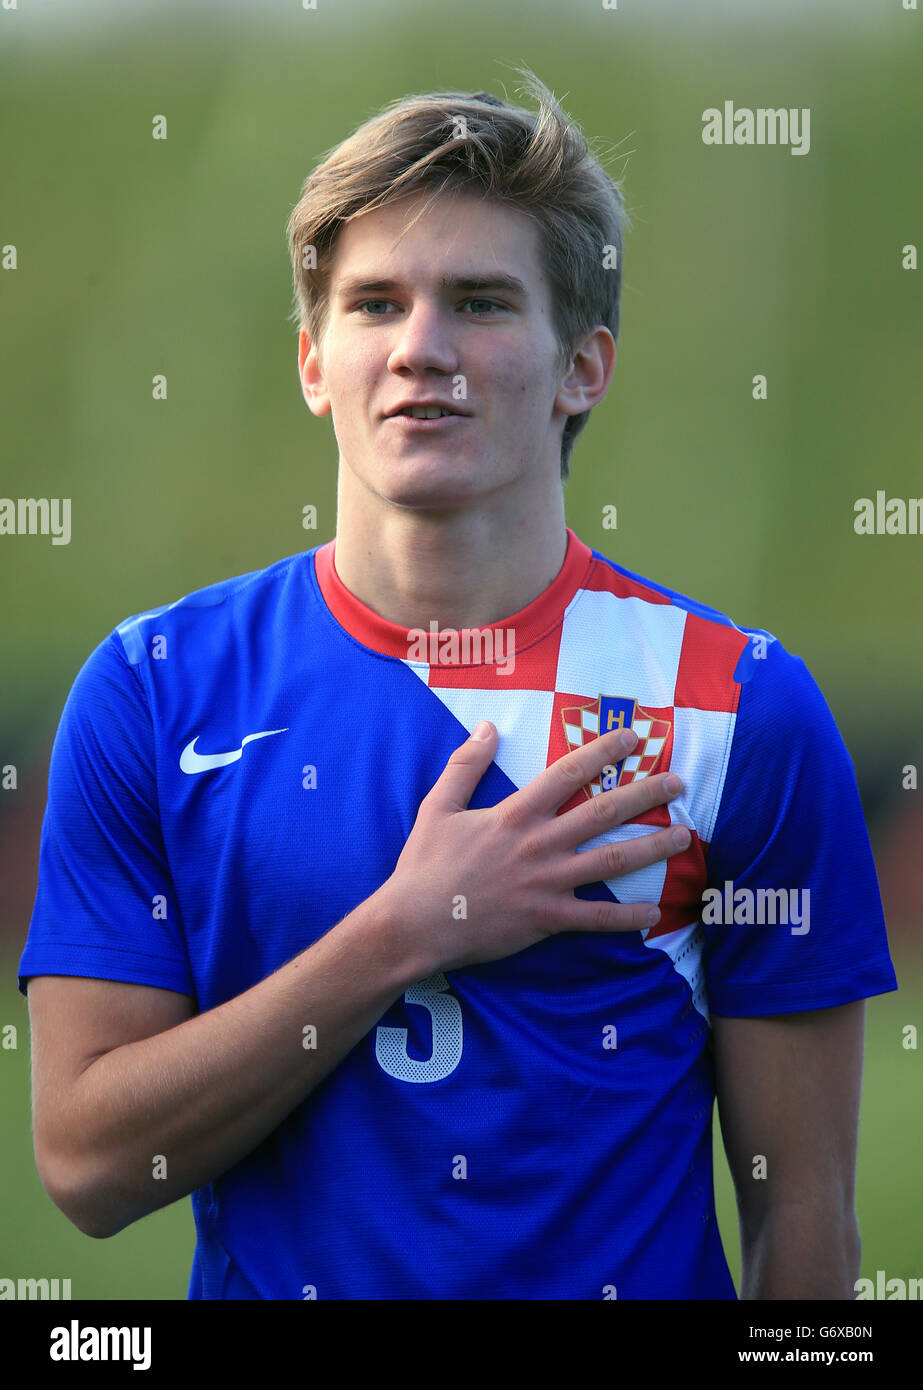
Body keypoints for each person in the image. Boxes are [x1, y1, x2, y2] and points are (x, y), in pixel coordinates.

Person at [19, 72, 896, 1300]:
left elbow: (803, 1225)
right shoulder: (154, 689)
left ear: (581, 366)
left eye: (480, 303)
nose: (421, 348)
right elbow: (88, 1162)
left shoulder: (737, 705)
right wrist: (404, 930)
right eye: (374, 303)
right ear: (317, 362)